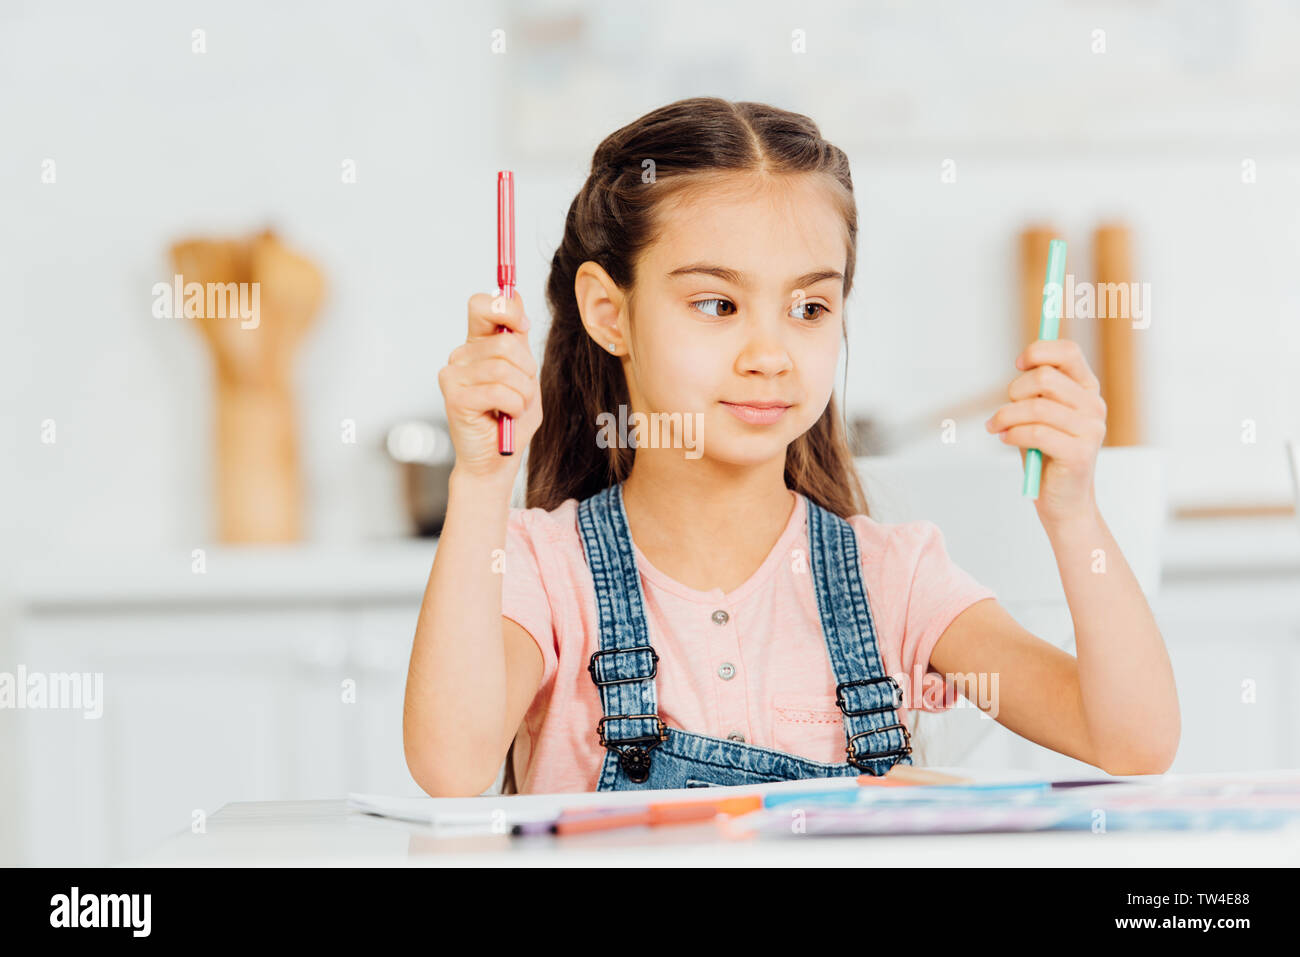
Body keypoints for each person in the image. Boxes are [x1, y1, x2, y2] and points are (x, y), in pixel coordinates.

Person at [404, 97, 1179, 797]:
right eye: (717, 303)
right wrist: (479, 483)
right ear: (610, 313)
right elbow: (452, 763)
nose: (770, 353)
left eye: (809, 306)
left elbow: (1133, 740)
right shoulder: (544, 571)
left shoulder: (894, 580)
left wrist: (1073, 510)